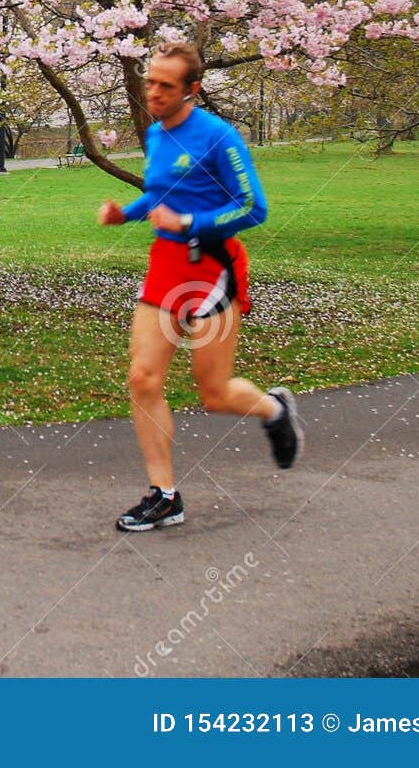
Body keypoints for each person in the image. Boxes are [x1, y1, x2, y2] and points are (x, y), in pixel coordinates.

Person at [97, 41, 301, 532]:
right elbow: (159, 193)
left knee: (214, 394)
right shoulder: (155, 134)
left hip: (211, 267)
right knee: (143, 378)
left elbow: (253, 209)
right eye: (150, 82)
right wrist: (127, 214)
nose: (154, 92)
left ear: (193, 89)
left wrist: (188, 220)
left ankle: (274, 408)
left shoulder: (218, 136)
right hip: (165, 265)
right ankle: (164, 495)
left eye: (166, 86)